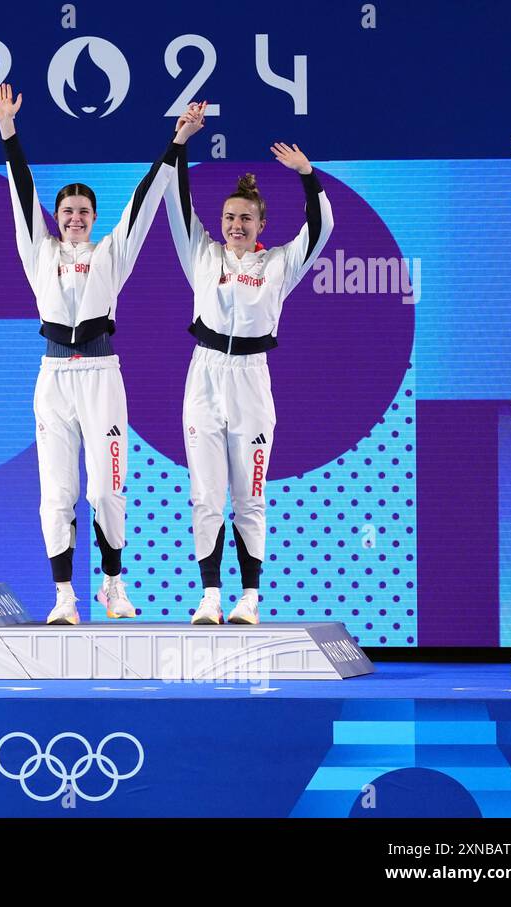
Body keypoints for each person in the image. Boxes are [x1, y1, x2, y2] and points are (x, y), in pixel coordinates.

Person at [0, 82, 178, 625]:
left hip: (101, 376)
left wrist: (173, 144)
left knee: (107, 488)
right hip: (53, 378)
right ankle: (64, 596)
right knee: (58, 493)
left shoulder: (111, 254)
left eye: (83, 210)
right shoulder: (39, 250)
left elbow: (143, 204)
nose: (75, 217)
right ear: (56, 216)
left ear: (95, 217)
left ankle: (113, 587)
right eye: (67, 210)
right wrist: (8, 129)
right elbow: (20, 192)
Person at [164, 101, 334, 625]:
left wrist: (307, 175)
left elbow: (322, 228)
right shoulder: (202, 252)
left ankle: (250, 599)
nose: (236, 224)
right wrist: (181, 141)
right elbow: (175, 198)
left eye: (246, 218)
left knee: (249, 496)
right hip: (205, 375)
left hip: (253, 383)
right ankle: (210, 596)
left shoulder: (280, 263)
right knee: (206, 495)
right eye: (229, 217)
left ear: (261, 223)